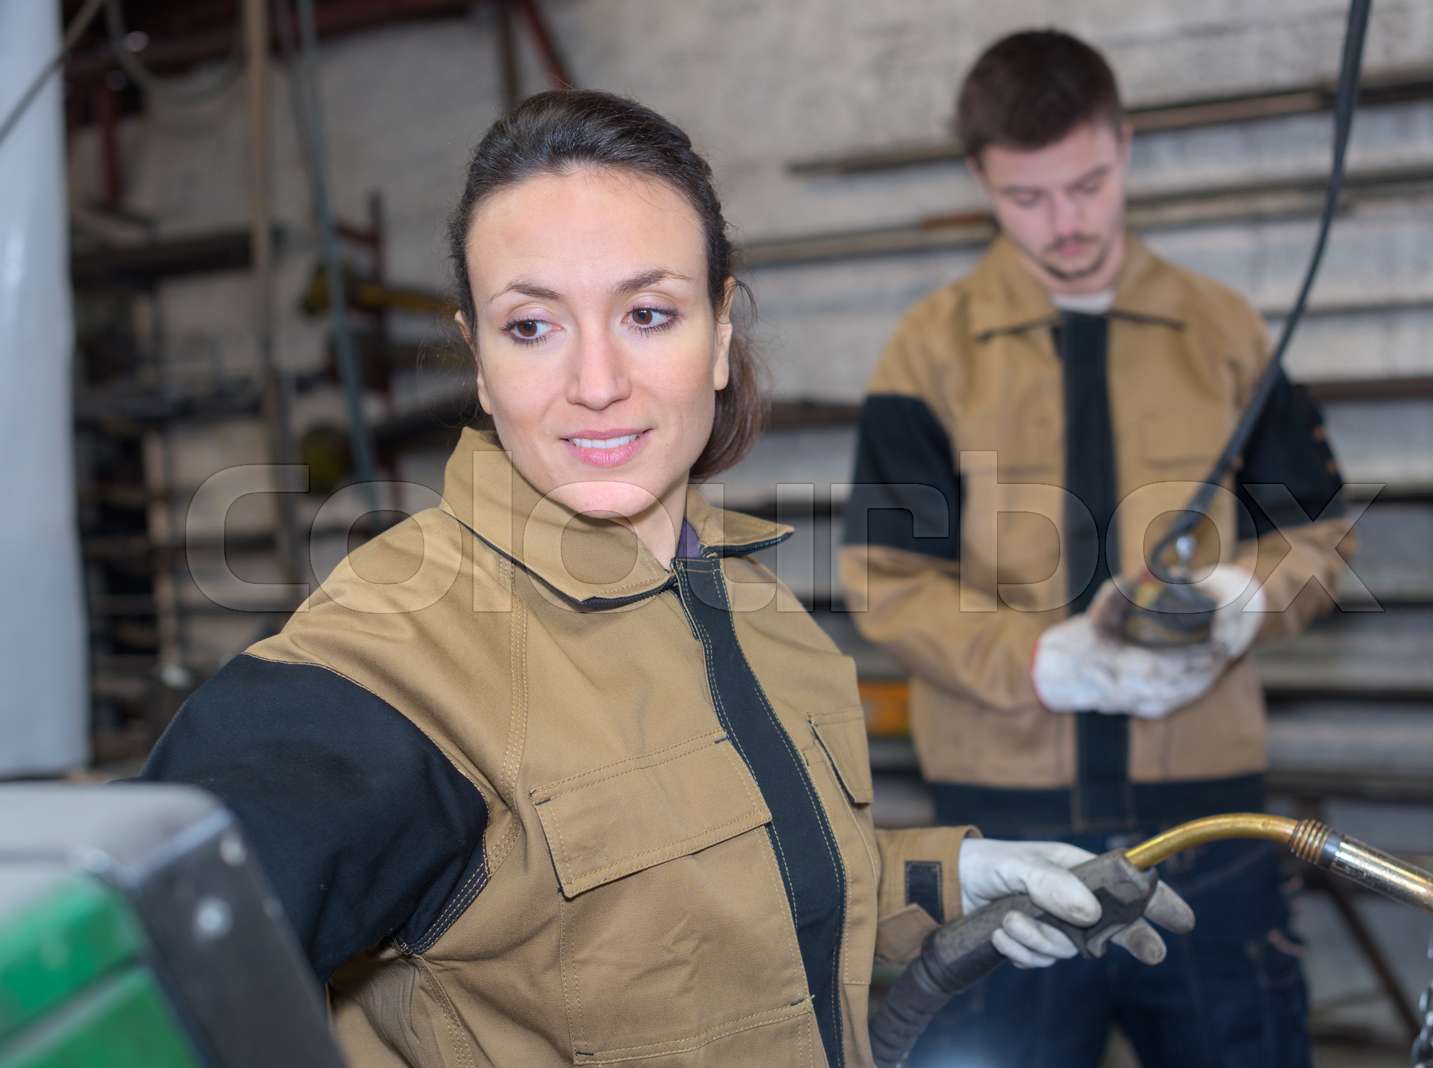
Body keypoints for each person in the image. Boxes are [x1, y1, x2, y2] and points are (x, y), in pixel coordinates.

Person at [137, 89, 1193, 1068]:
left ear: (721, 333)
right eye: (532, 326)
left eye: (647, 315)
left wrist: (952, 876)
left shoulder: (764, 613)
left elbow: (725, 888)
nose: (596, 384)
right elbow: (130, 980)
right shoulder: (396, 650)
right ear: (477, 360)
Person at [839, 30, 1353, 1068]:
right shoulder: (927, 350)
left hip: (1211, 831)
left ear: (1125, 148)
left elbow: (1320, 536)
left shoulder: (1224, 330)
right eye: (1027, 198)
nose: (1065, 224)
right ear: (980, 176)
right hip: (1004, 842)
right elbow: (886, 582)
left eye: (1087, 183)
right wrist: (1039, 660)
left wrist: (1242, 599)